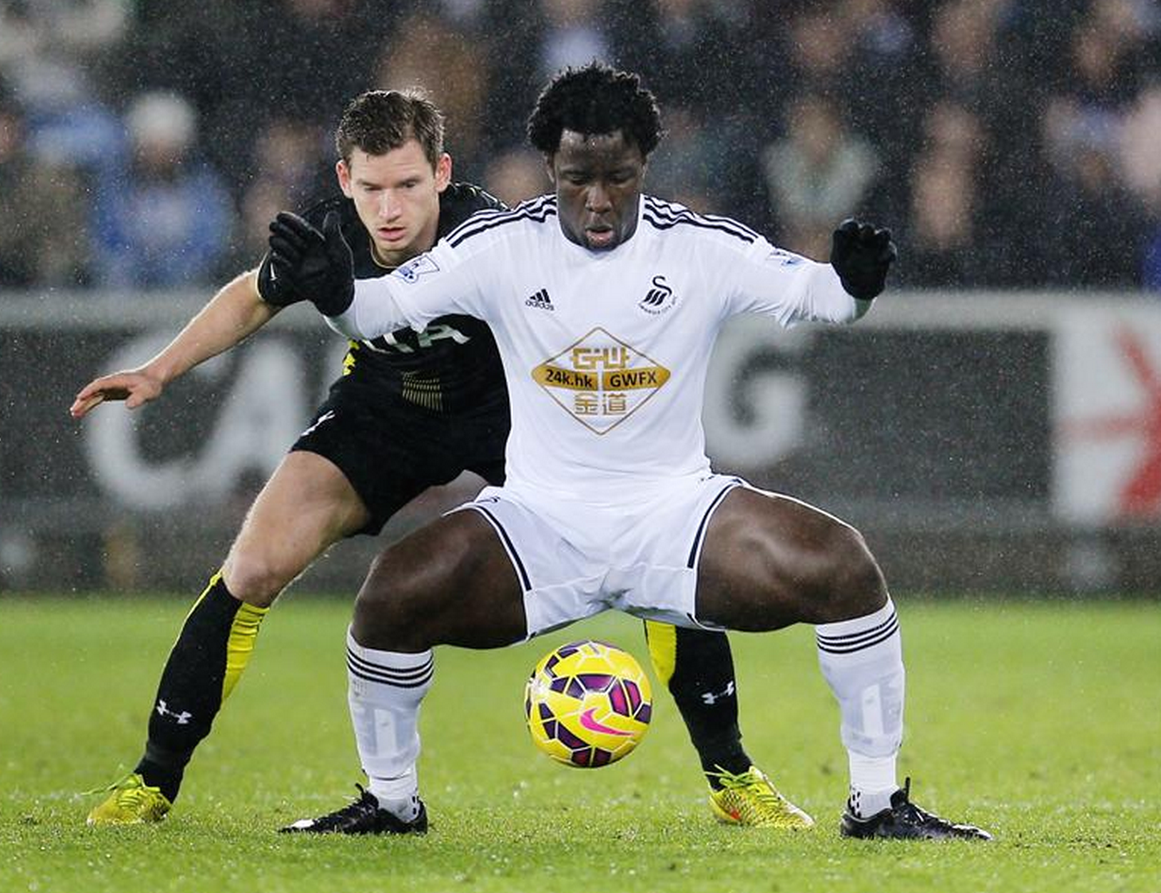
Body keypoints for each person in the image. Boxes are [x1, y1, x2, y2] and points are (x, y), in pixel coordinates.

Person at [270, 63, 992, 841]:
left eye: (617, 176)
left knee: (845, 566)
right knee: (389, 595)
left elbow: (820, 295)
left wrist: (856, 285)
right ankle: (391, 803)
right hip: (538, 522)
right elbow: (379, 311)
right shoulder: (498, 247)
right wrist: (335, 294)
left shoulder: (699, 247)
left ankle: (876, 804)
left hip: (673, 515)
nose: (597, 198)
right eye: (577, 178)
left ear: (645, 164)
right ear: (550, 167)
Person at [75, 88, 808, 831]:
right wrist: (159, 370)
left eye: (408, 185)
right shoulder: (331, 235)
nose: (389, 208)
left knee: (657, 555)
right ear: (344, 180)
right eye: (372, 188)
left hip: (508, 415)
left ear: (443, 173)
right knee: (254, 566)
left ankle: (731, 775)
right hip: (384, 412)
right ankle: (152, 781)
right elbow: (253, 295)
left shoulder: (489, 233)